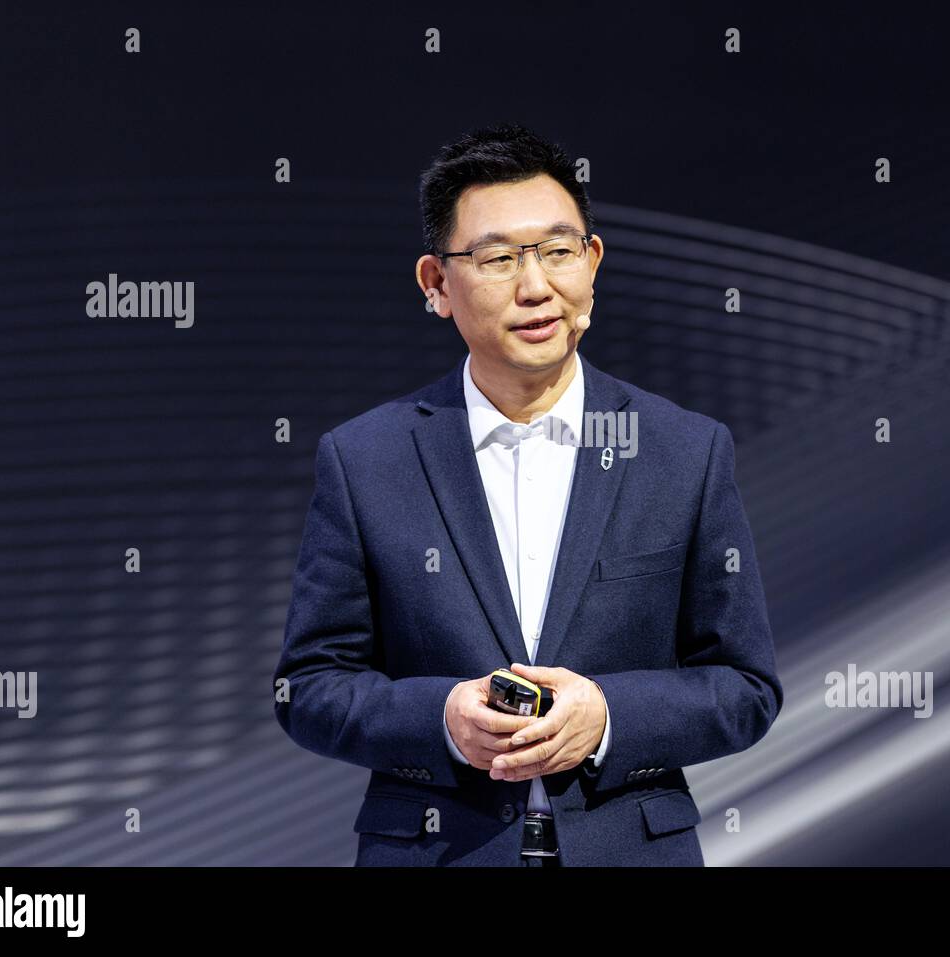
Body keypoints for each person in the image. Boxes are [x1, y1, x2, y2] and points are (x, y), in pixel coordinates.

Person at [272, 122, 783, 866]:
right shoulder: (365, 459)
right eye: (498, 258)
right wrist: (443, 719)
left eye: (557, 250)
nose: (536, 285)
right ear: (437, 284)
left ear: (593, 261)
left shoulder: (685, 450)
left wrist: (607, 715)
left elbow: (746, 687)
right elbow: (308, 688)